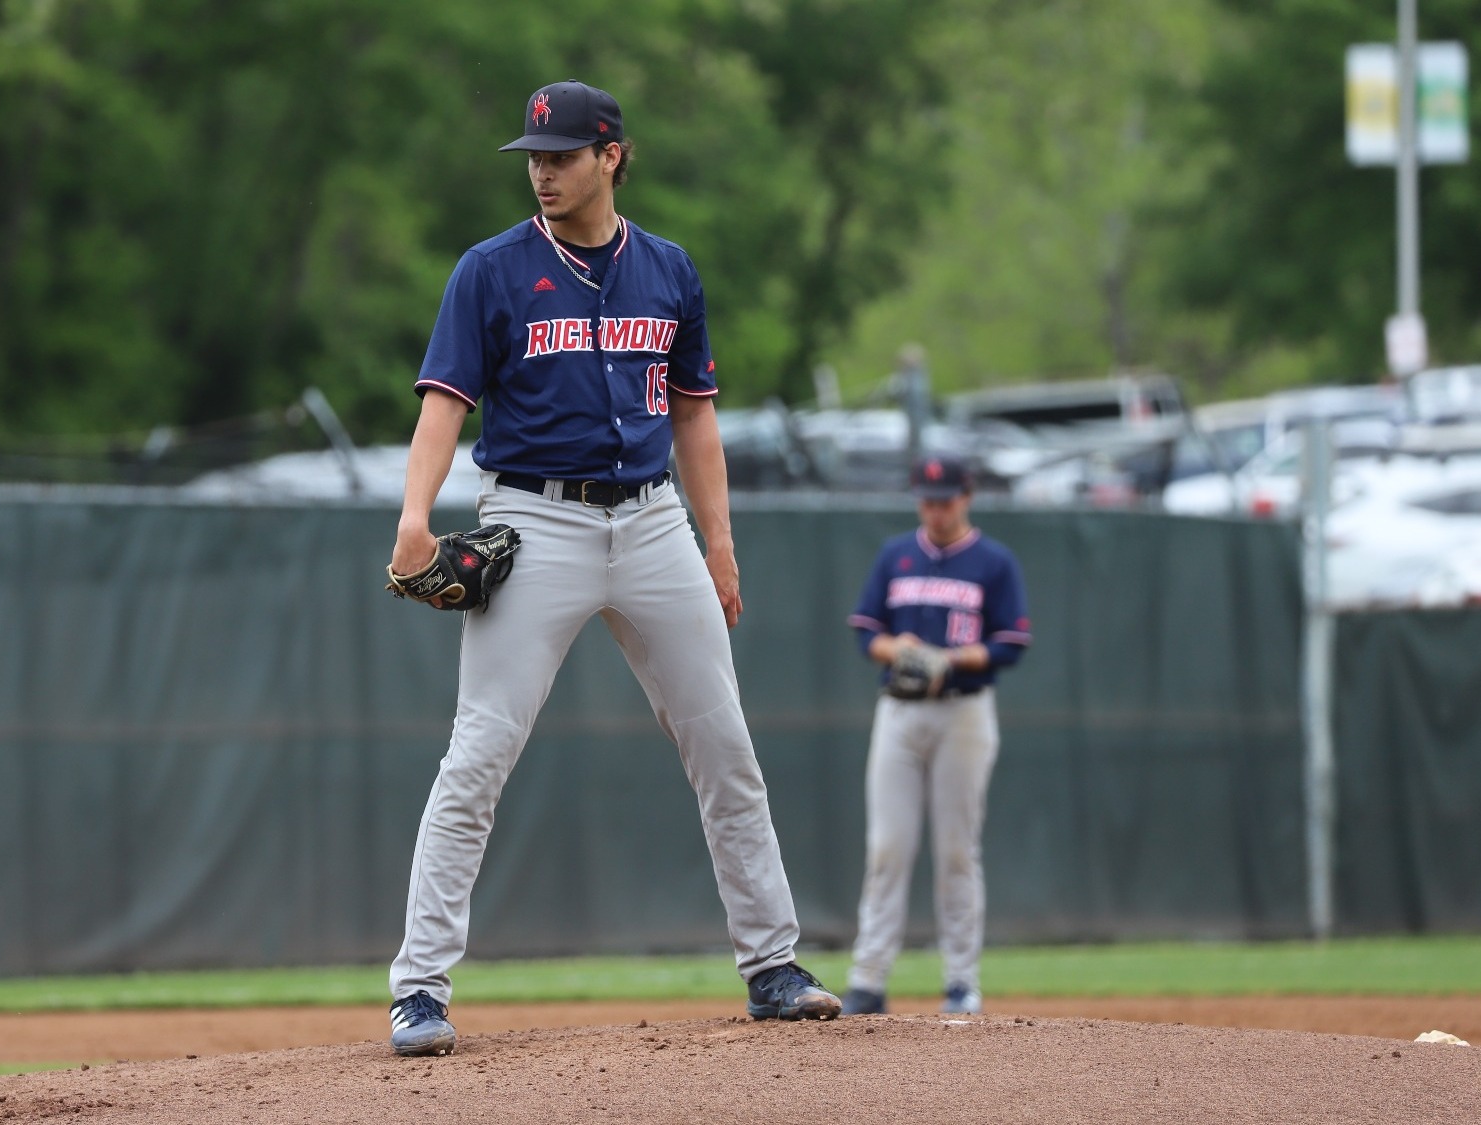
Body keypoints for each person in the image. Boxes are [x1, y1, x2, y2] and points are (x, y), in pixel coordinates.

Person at [384, 79, 840, 1057]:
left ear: (611, 157)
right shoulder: (491, 271)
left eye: (560, 153)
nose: (542, 170)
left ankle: (772, 965)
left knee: (724, 747)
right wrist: (415, 517)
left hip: (650, 521)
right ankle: (418, 987)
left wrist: (718, 545)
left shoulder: (668, 271)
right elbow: (443, 404)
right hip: (532, 521)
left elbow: (693, 414)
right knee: (477, 754)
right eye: (533, 156)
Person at [841, 455, 1030, 1016]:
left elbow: (1012, 642)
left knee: (955, 850)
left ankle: (961, 983)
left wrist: (951, 660)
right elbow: (865, 631)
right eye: (927, 499)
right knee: (887, 847)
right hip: (899, 713)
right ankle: (868, 980)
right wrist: (901, 650)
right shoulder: (895, 554)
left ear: (967, 497)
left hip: (963, 712)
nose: (936, 509)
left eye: (945, 499)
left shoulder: (993, 562)